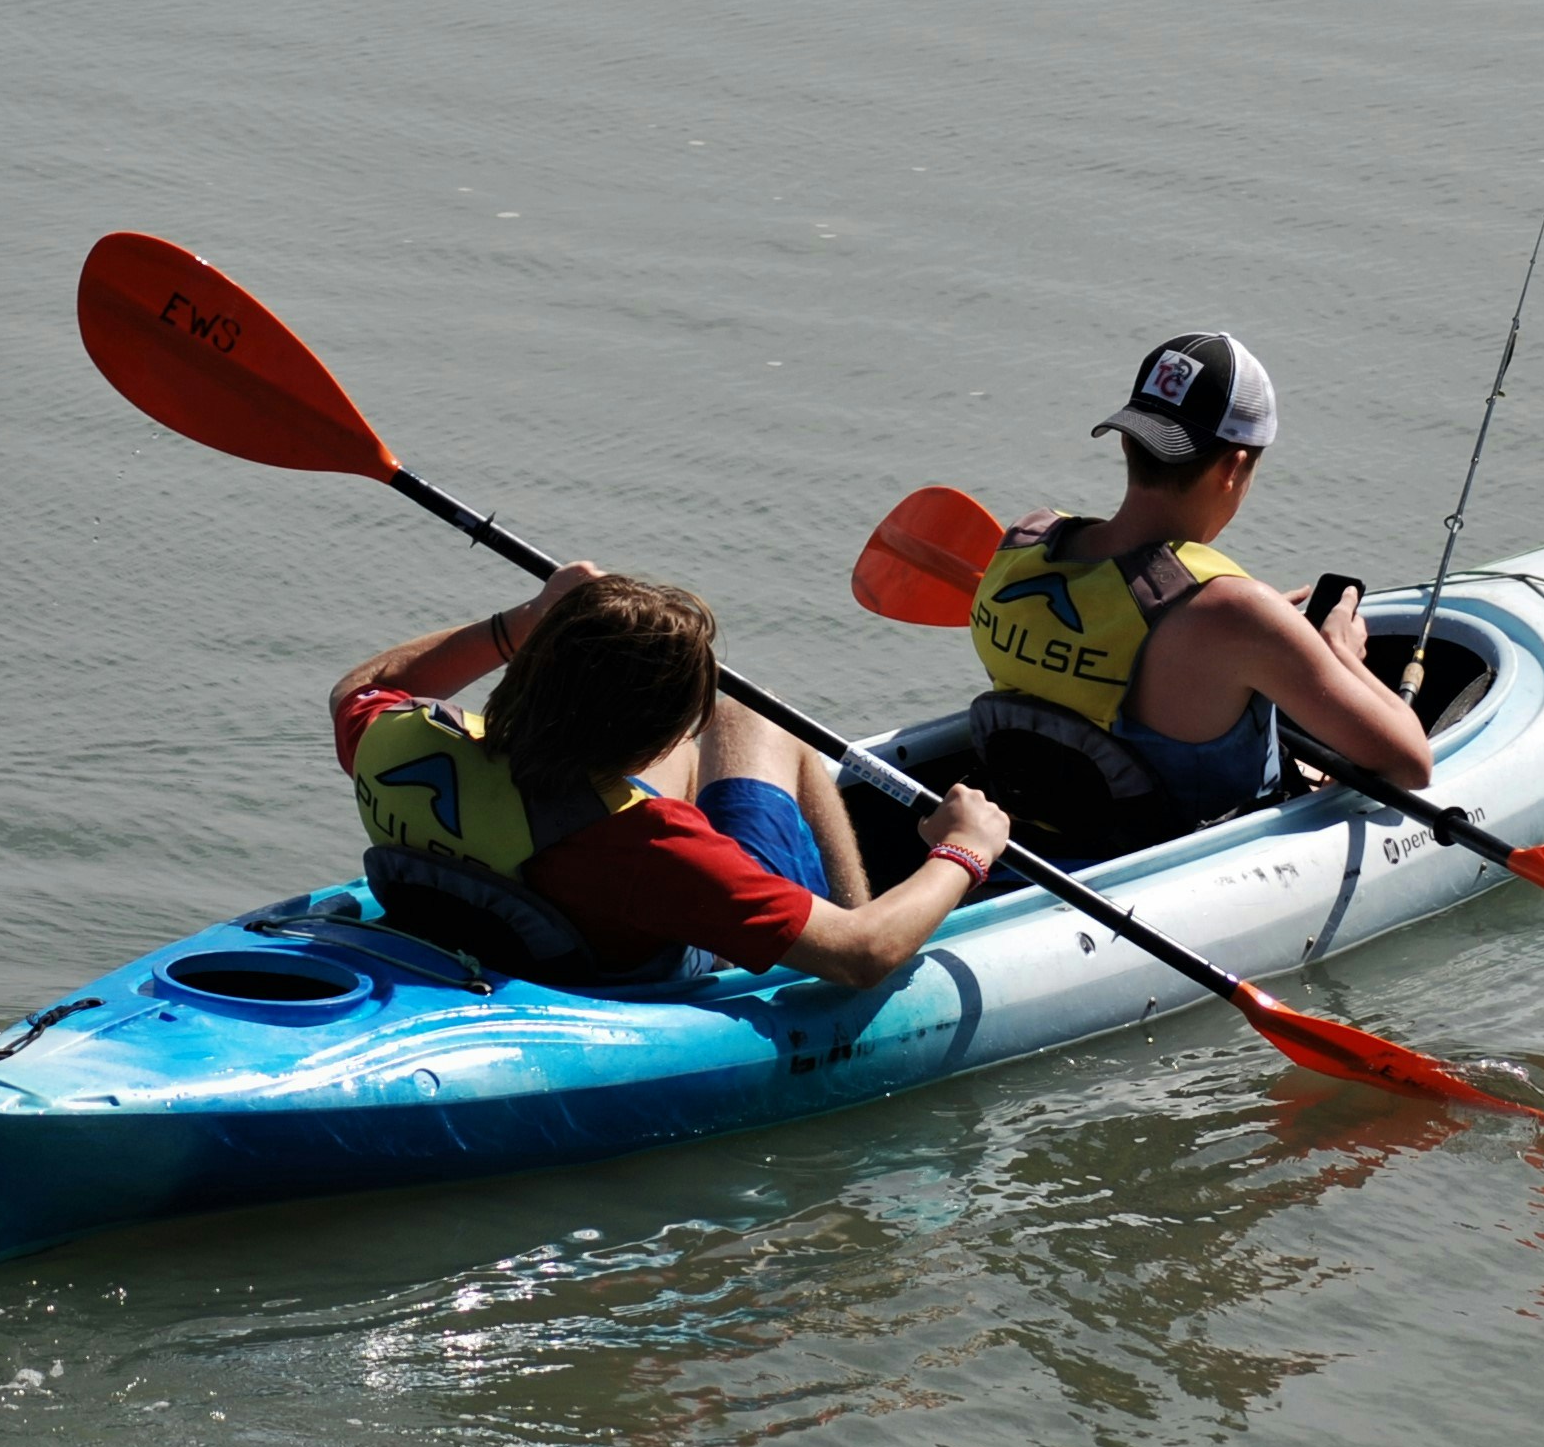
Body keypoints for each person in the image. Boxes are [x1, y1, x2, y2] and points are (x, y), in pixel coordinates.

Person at [328, 563, 1012, 987]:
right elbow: (865, 956)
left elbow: (363, 684)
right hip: (628, 932)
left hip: (517, 884)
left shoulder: (398, 740)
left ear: (529, 665)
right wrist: (964, 848)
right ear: (656, 733)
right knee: (756, 719)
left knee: (726, 727)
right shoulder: (648, 845)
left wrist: (528, 617)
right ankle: (853, 899)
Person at [963, 331, 1433, 858]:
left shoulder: (1021, 545)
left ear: (1126, 441)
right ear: (1233, 468)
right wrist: (1336, 653)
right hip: (1165, 878)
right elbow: (1411, 764)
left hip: (1025, 848)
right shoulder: (1238, 615)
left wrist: (1234, 621)